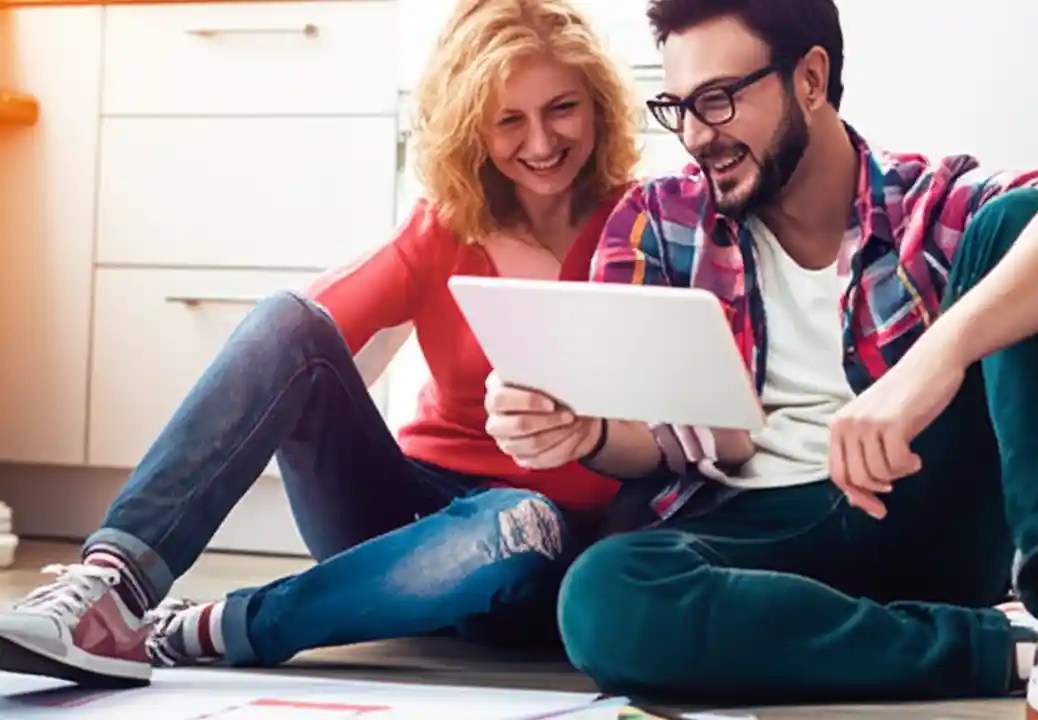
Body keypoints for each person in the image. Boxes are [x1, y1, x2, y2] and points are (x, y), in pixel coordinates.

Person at [484, 0, 1038, 717]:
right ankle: (1035, 650)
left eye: (718, 100)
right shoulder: (658, 221)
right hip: (759, 532)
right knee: (603, 598)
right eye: (677, 106)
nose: (696, 135)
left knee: (1029, 227)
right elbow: (655, 436)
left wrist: (932, 362)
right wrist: (585, 432)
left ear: (810, 79)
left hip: (924, 502)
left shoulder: (923, 201)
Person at [0, 0, 641, 688]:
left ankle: (207, 627)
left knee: (521, 519)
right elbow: (291, 349)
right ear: (471, 128)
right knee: (287, 319)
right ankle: (110, 588)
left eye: (562, 108)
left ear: (598, 105)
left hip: (541, 550)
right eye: (510, 119)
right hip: (400, 508)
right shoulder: (444, 229)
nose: (541, 142)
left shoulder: (644, 225)